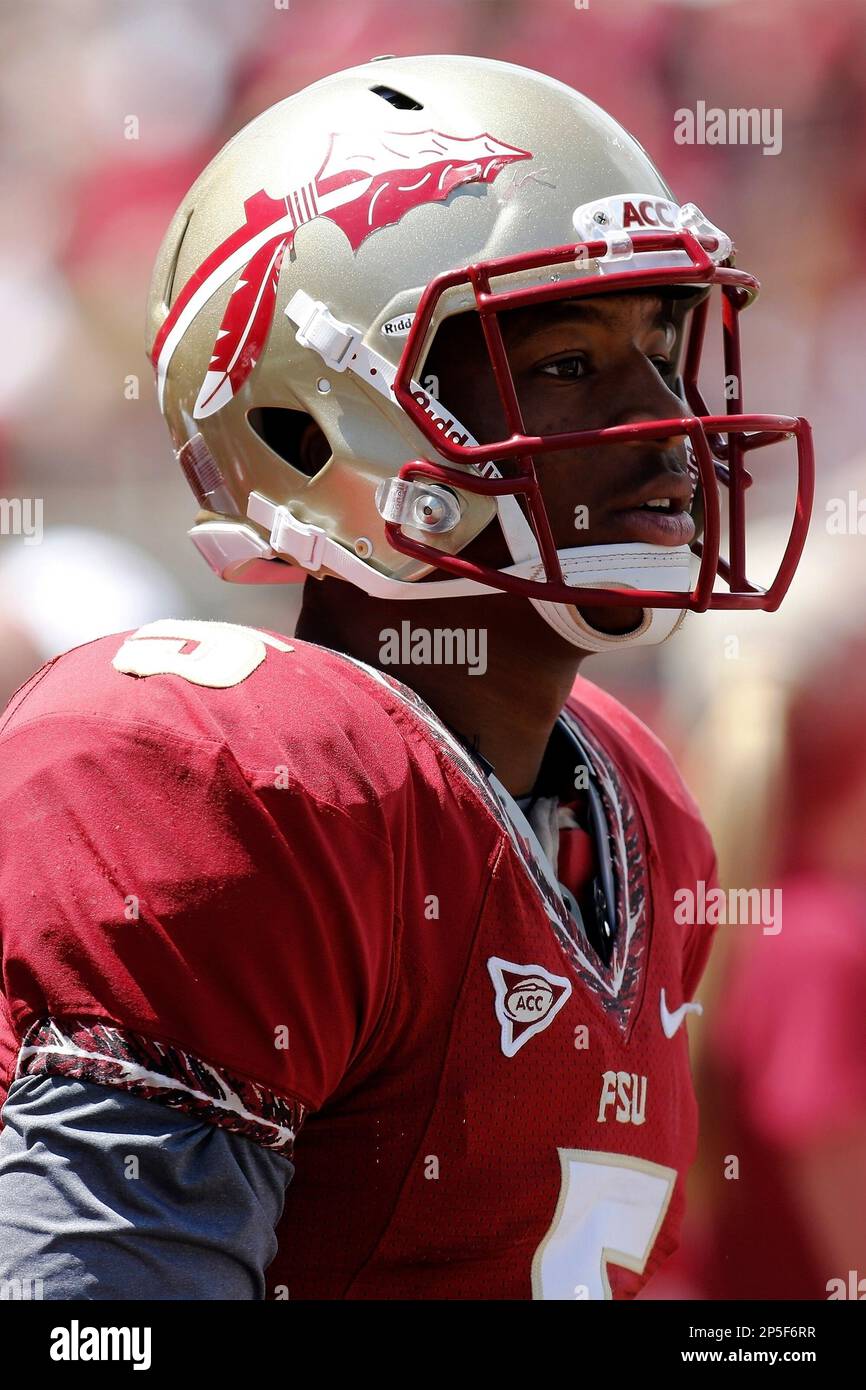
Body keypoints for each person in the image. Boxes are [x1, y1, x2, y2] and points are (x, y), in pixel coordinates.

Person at [0, 54, 813, 1301]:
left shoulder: (635, 807)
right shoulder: (220, 775)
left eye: (661, 345)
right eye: (564, 364)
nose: (664, 424)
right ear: (309, 424)